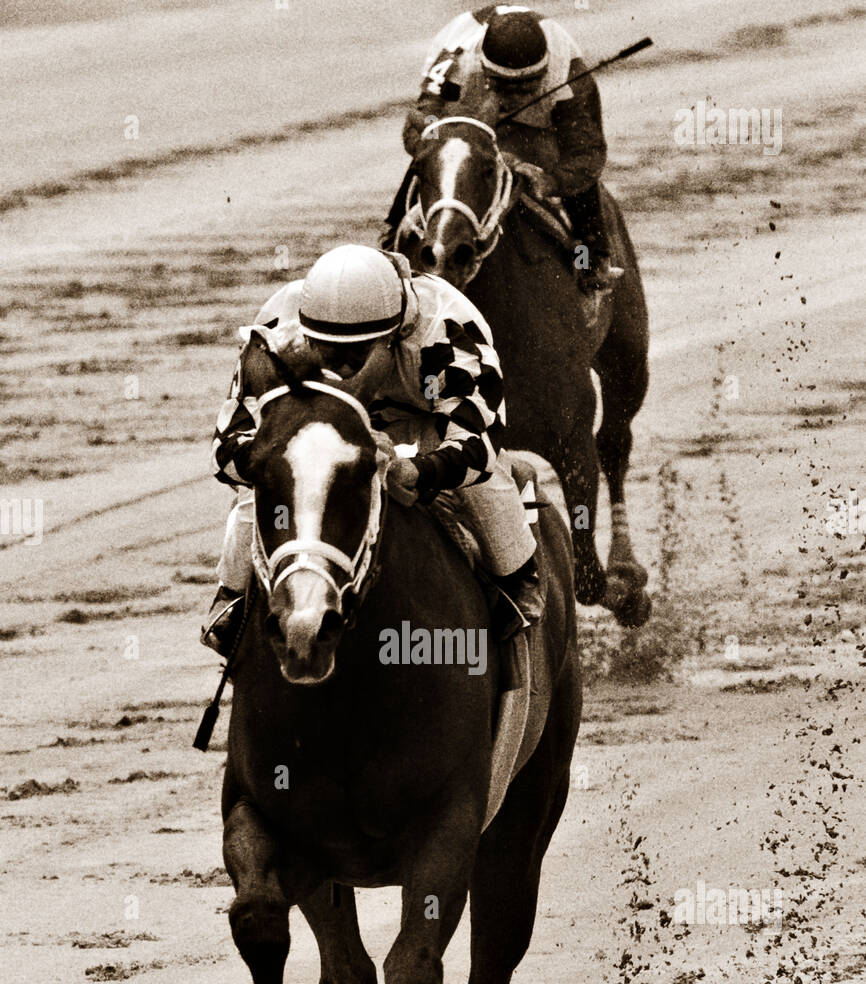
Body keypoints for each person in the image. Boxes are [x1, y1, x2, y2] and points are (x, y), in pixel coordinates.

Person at [201, 243, 539, 657]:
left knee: (484, 485)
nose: (343, 368)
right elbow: (227, 444)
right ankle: (231, 599)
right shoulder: (277, 328)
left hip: (425, 420)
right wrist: (273, 461)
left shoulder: (448, 324)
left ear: (395, 334)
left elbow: (479, 442)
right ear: (307, 333)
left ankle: (517, 580)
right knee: (258, 492)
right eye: (329, 351)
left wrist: (417, 470)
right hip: (322, 425)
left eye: (357, 353)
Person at [386, 5, 618, 293]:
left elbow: (586, 154)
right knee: (442, 155)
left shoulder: (571, 75)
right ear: (485, 70)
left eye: (527, 88)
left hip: (544, 120)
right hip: (469, 104)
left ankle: (592, 256)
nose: (516, 99)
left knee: (577, 182)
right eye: (506, 88)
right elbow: (423, 123)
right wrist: (438, 133)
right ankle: (390, 239)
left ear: (545, 71)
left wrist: (551, 180)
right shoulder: (456, 61)